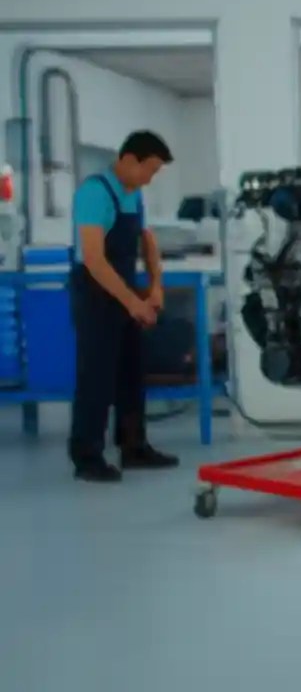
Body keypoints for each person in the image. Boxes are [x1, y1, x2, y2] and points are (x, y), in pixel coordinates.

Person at [68, 130, 179, 482]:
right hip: (95, 292)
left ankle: (133, 447)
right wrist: (133, 302)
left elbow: (146, 241)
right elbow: (94, 259)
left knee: (132, 372)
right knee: (97, 375)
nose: (150, 178)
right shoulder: (93, 193)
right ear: (129, 160)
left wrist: (155, 286)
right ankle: (87, 457)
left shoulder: (133, 195)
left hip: (126, 289)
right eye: (150, 170)